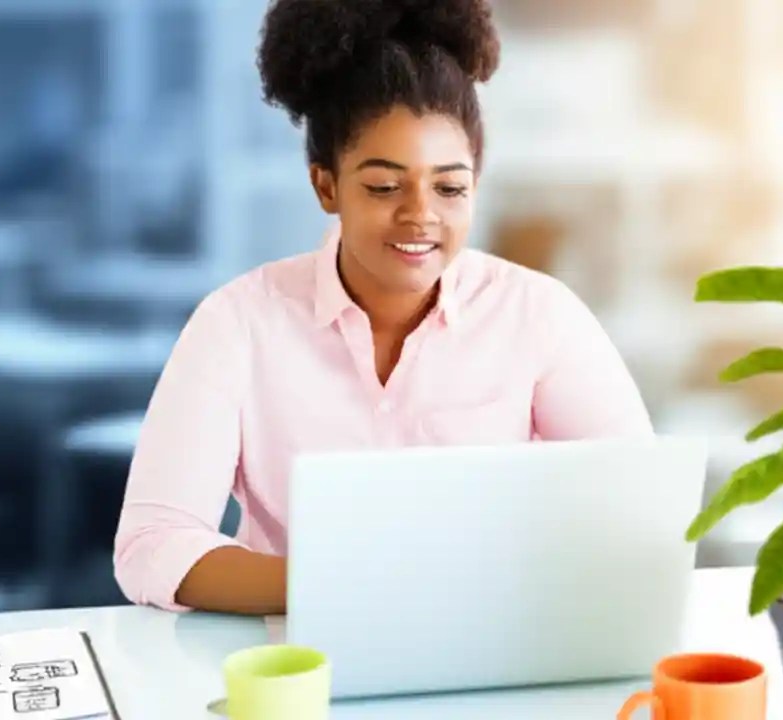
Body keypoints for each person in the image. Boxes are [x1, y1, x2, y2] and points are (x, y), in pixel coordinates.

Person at [113, 0, 652, 616]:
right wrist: (350, 590)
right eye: (384, 186)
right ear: (326, 185)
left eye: (449, 187)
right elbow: (153, 546)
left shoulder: (539, 316)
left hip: (492, 636)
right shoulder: (238, 324)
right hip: (296, 652)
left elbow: (636, 513)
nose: (421, 215)